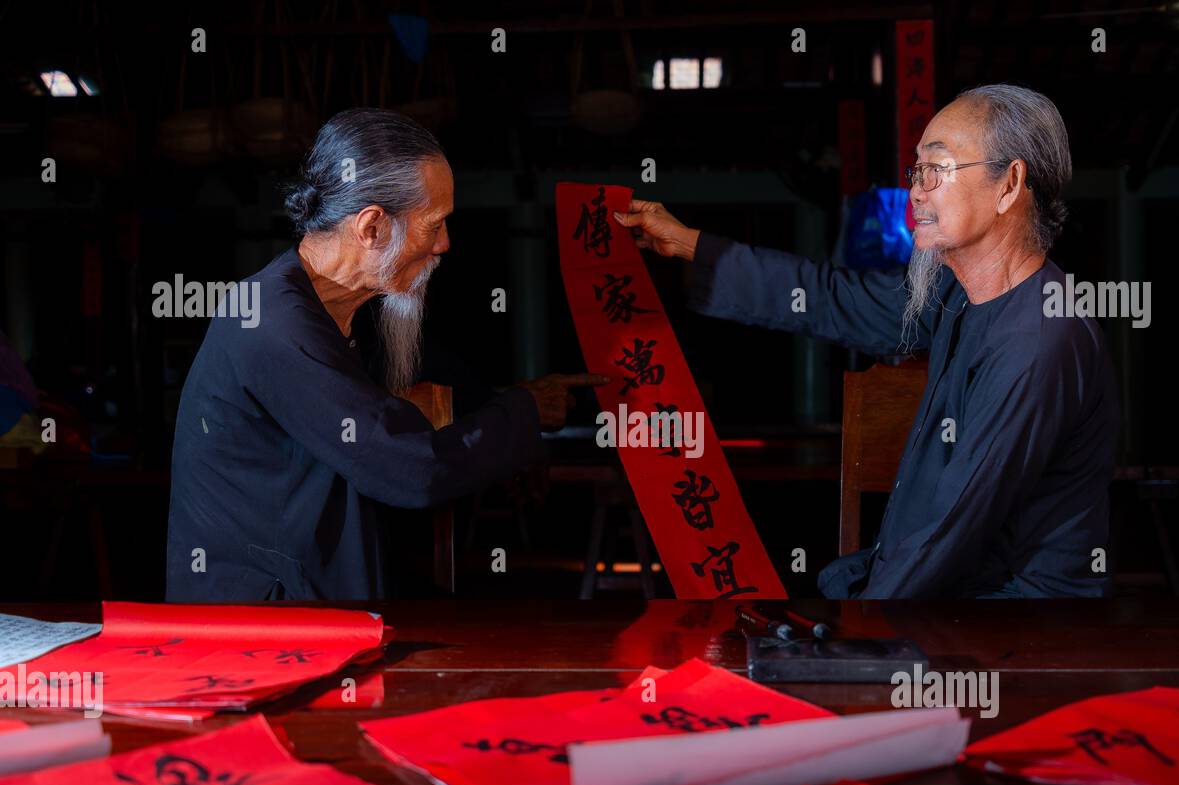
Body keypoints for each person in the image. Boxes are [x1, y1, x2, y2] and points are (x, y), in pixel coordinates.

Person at [615, 84, 1121, 599]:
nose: (917, 192)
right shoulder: (959, 291)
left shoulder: (1038, 338)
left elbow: (954, 529)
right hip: (943, 592)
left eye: (936, 169)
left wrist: (854, 637)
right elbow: (833, 298)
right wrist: (689, 246)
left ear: (1009, 185)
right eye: (915, 171)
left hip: (1016, 621)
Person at [166, 108, 605, 601]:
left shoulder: (353, 315)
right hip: (260, 627)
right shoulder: (270, 321)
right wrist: (524, 412)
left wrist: (512, 416)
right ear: (372, 226)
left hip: (317, 599)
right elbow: (411, 469)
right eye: (434, 224)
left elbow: (448, 393)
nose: (444, 244)